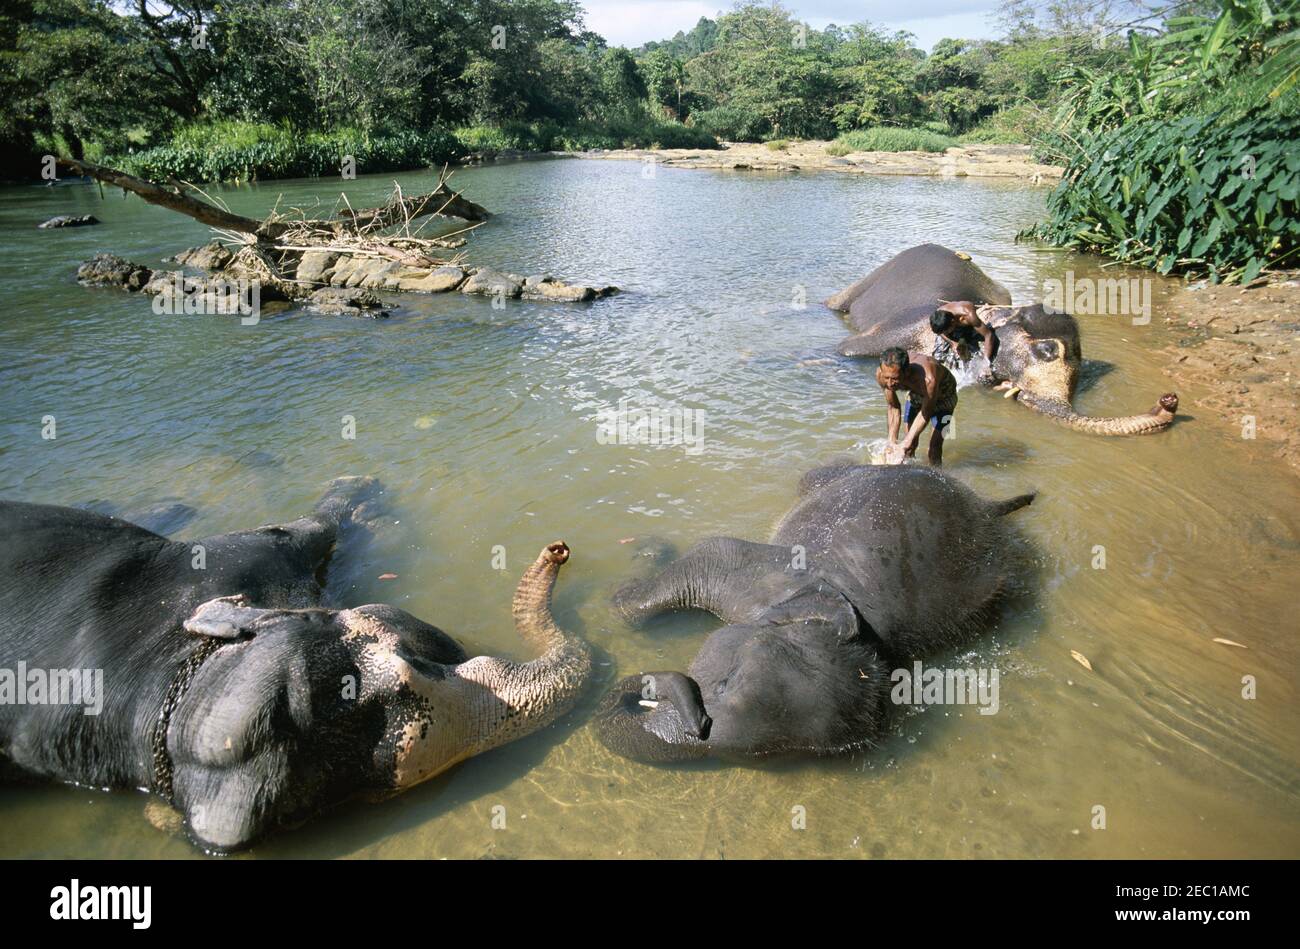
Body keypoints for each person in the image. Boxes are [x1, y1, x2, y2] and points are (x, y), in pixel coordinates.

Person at [875, 347, 958, 466]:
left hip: (945, 398)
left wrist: (905, 443)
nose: (889, 383)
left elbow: (926, 412)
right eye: (886, 378)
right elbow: (893, 407)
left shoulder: (928, 380)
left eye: (894, 379)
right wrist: (892, 442)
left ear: (907, 372)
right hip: (916, 395)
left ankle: (937, 479)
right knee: (909, 447)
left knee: (934, 448)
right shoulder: (881, 375)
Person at [929, 301, 999, 377]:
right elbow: (940, 333)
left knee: (972, 353)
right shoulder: (938, 315)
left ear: (952, 323)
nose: (945, 333)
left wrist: (985, 363)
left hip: (967, 327)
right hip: (949, 326)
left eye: (946, 331)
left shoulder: (968, 315)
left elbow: (988, 335)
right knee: (937, 356)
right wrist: (952, 343)